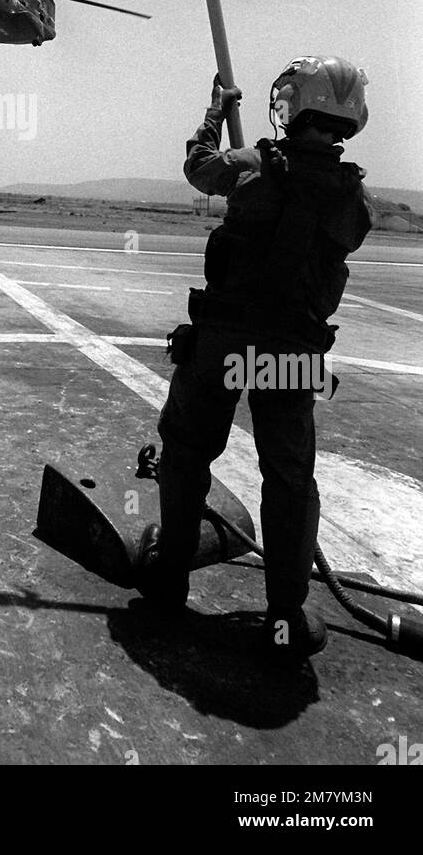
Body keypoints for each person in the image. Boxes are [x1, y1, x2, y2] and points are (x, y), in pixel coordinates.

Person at [137, 56, 373, 661]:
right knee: (289, 478)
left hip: (224, 346)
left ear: (294, 103)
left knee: (187, 452)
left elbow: (197, 169)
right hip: (290, 357)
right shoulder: (356, 201)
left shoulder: (251, 165)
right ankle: (286, 616)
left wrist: (215, 113)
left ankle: (169, 582)